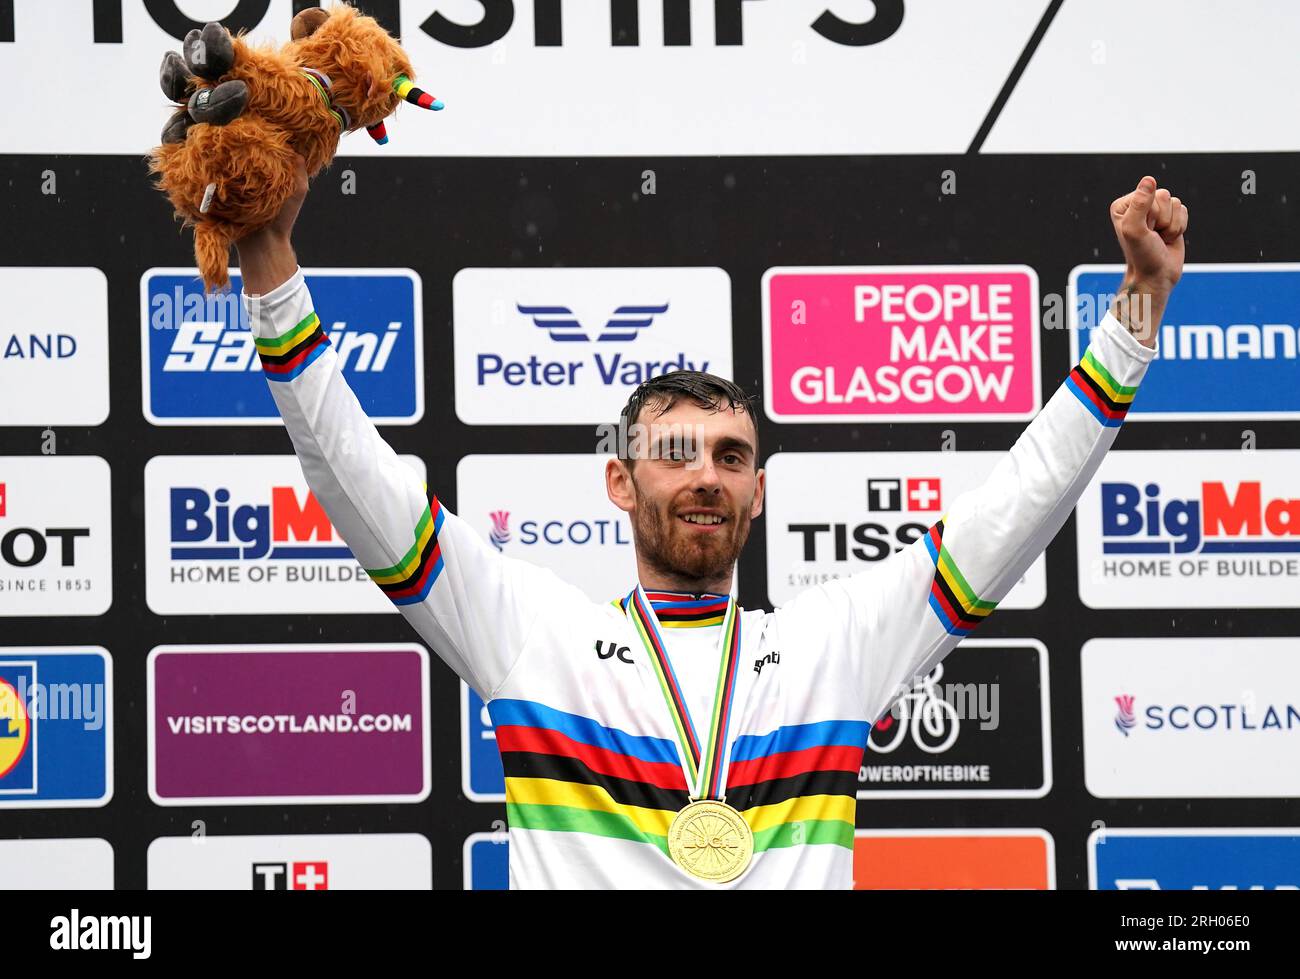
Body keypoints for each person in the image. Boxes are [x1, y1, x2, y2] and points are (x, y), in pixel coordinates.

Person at [235, 164, 1187, 889]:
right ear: (619, 481)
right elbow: (359, 481)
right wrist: (269, 261)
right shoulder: (535, 636)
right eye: (678, 453)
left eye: (731, 457)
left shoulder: (833, 646)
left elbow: (1021, 503)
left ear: (758, 492)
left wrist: (1139, 307)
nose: (706, 477)